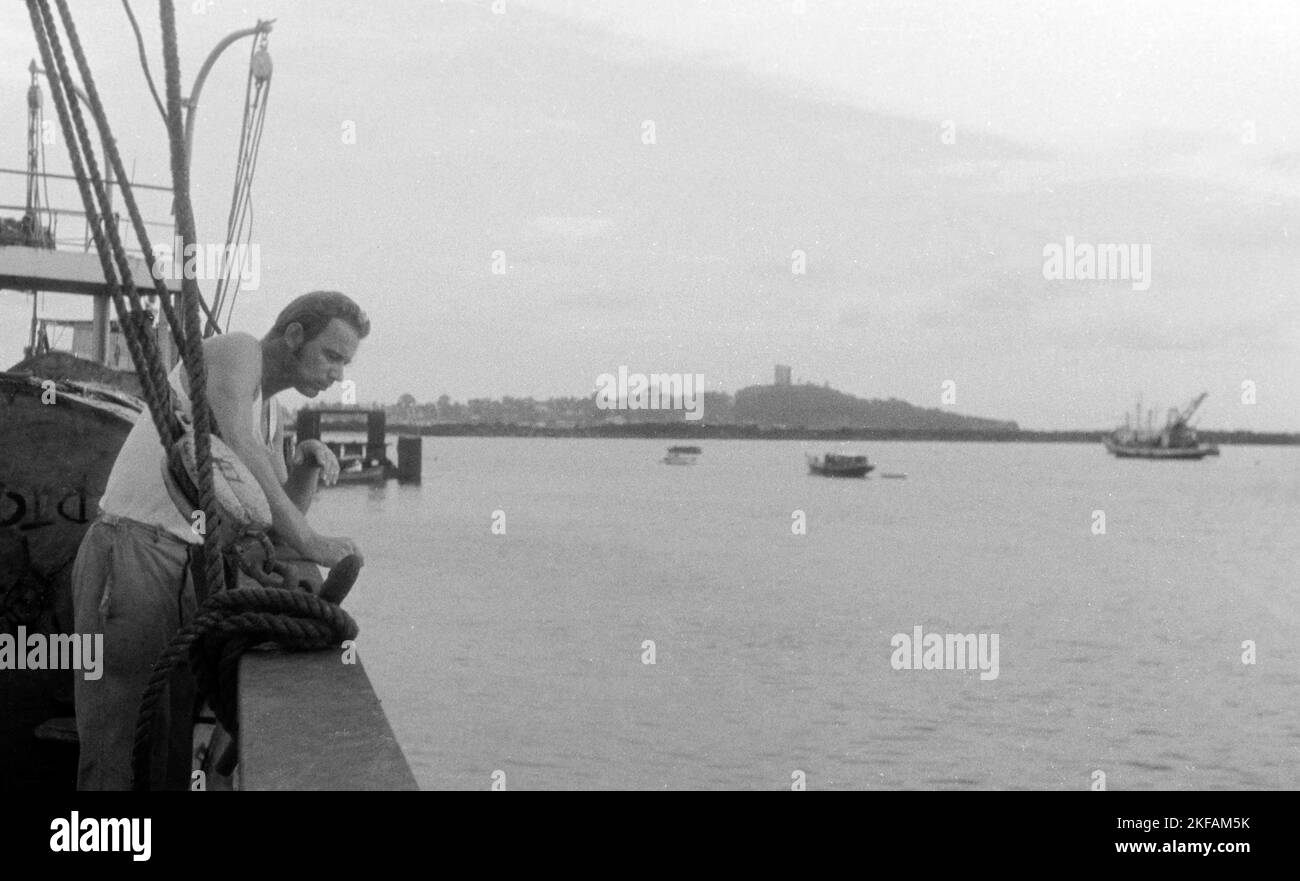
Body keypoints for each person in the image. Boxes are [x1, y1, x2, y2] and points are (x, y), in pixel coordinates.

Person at [70, 290, 369, 790]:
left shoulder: (272, 414)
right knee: (118, 739)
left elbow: (272, 520)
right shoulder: (236, 352)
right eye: (332, 356)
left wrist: (306, 467)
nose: (338, 374)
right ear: (293, 334)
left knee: (167, 736)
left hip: (188, 564)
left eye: (344, 362)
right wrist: (314, 542)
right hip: (134, 550)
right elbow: (235, 436)